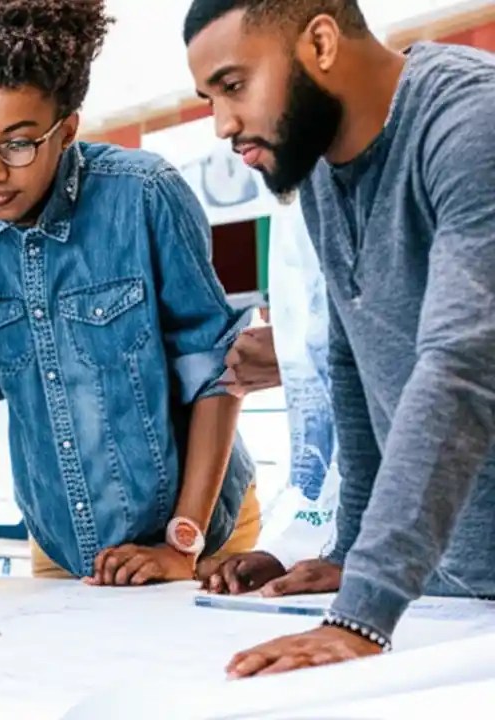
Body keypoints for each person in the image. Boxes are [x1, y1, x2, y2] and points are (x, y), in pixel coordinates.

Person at [186, 0, 495, 677]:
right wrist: (349, 549)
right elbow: (351, 359)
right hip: (455, 597)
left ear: (320, 41)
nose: (222, 124)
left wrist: (364, 609)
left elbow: (462, 370)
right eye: (209, 98)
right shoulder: (324, 169)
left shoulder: (472, 123)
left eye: (234, 86)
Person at [0, 0, 259, 588]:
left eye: (18, 145)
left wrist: (183, 543)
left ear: (68, 129)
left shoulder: (143, 195)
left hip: (199, 534)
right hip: (59, 543)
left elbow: (216, 373)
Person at [203, 199, 342, 596]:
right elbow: (319, 451)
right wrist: (287, 547)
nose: (226, 132)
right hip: (360, 555)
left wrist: (301, 355)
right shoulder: (297, 198)